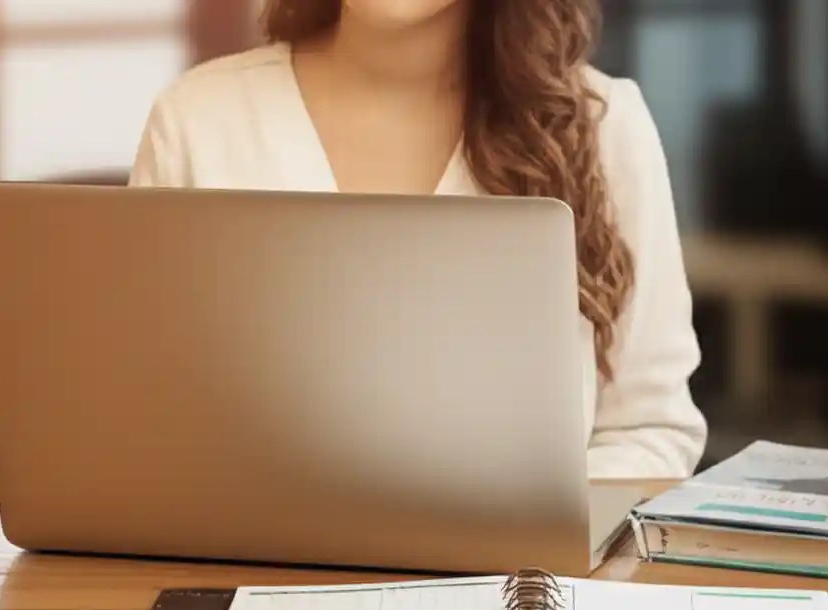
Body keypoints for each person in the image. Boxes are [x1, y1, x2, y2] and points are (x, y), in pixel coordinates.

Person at [129, 0, 707, 479]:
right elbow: (141, 425)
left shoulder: (604, 127)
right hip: (234, 583)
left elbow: (648, 430)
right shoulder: (196, 122)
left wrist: (520, 533)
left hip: (509, 590)